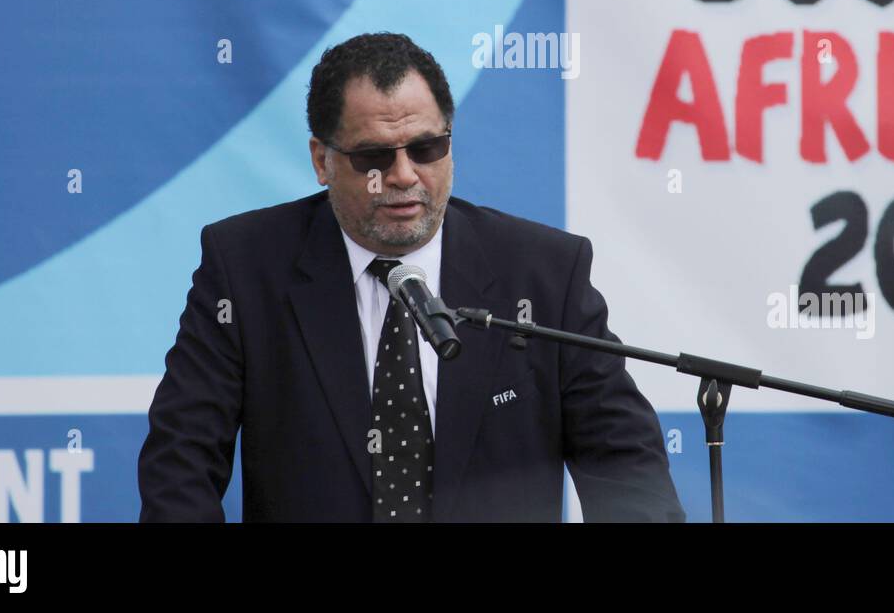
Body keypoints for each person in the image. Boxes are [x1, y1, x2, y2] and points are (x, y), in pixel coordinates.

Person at [138, 31, 685, 522]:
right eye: (374, 156)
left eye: (426, 148)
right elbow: (180, 462)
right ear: (322, 161)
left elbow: (622, 458)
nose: (403, 176)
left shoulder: (542, 272)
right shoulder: (246, 267)